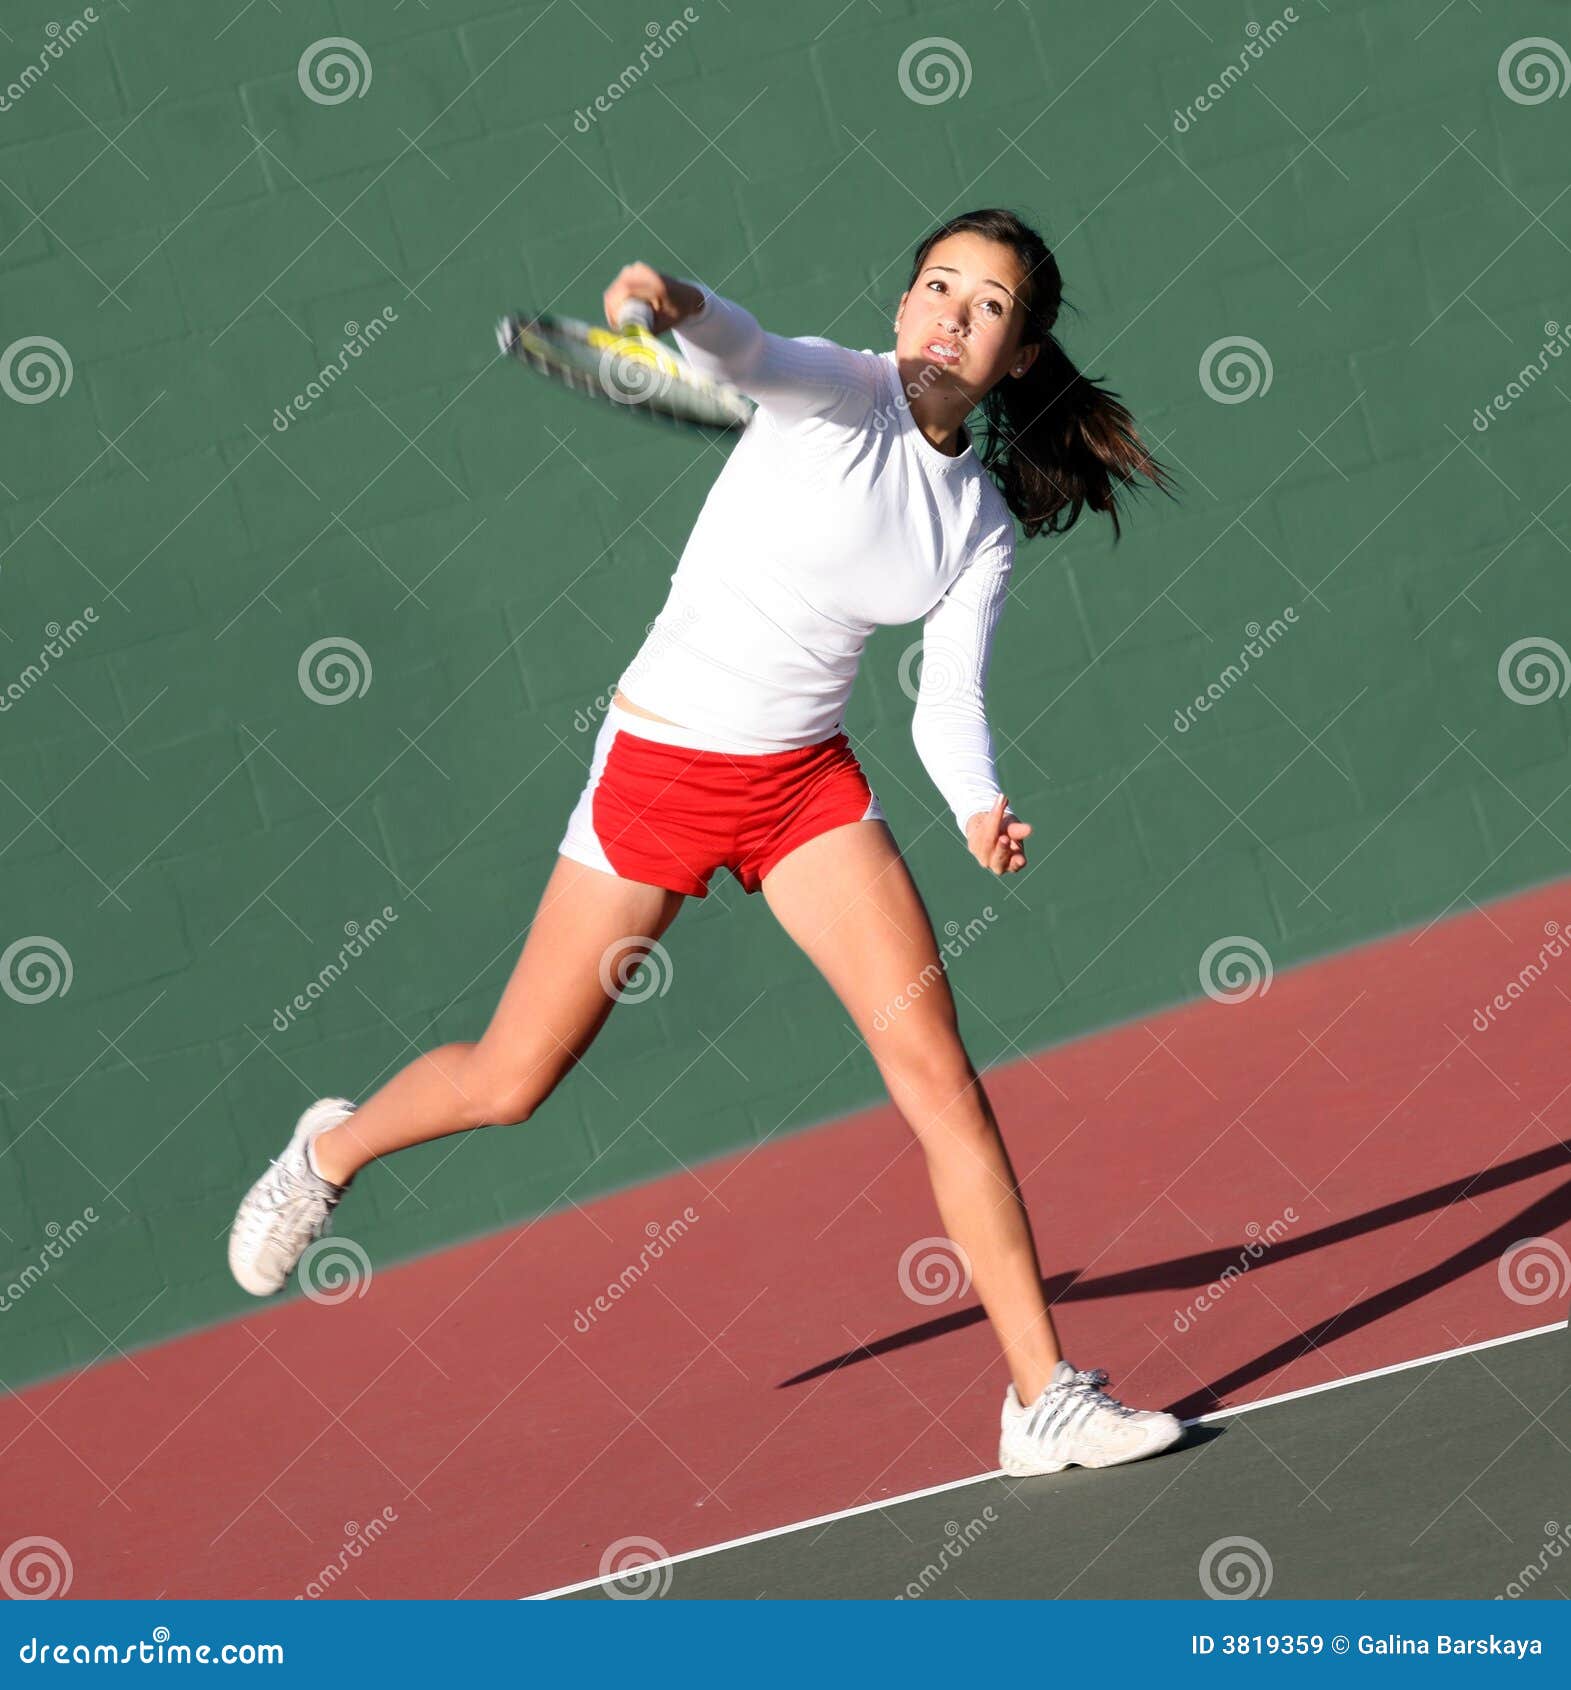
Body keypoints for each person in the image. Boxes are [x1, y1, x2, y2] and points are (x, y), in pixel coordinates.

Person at [228, 207, 1183, 1476]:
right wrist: (677, 304)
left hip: (803, 792)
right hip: (661, 775)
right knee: (510, 1082)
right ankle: (328, 1149)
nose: (952, 314)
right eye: (937, 285)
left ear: (1019, 353)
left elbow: (945, 698)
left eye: (988, 304)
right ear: (901, 305)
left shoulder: (979, 524)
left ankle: (1039, 1400)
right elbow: (748, 352)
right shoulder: (836, 390)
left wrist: (974, 802)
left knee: (940, 1082)